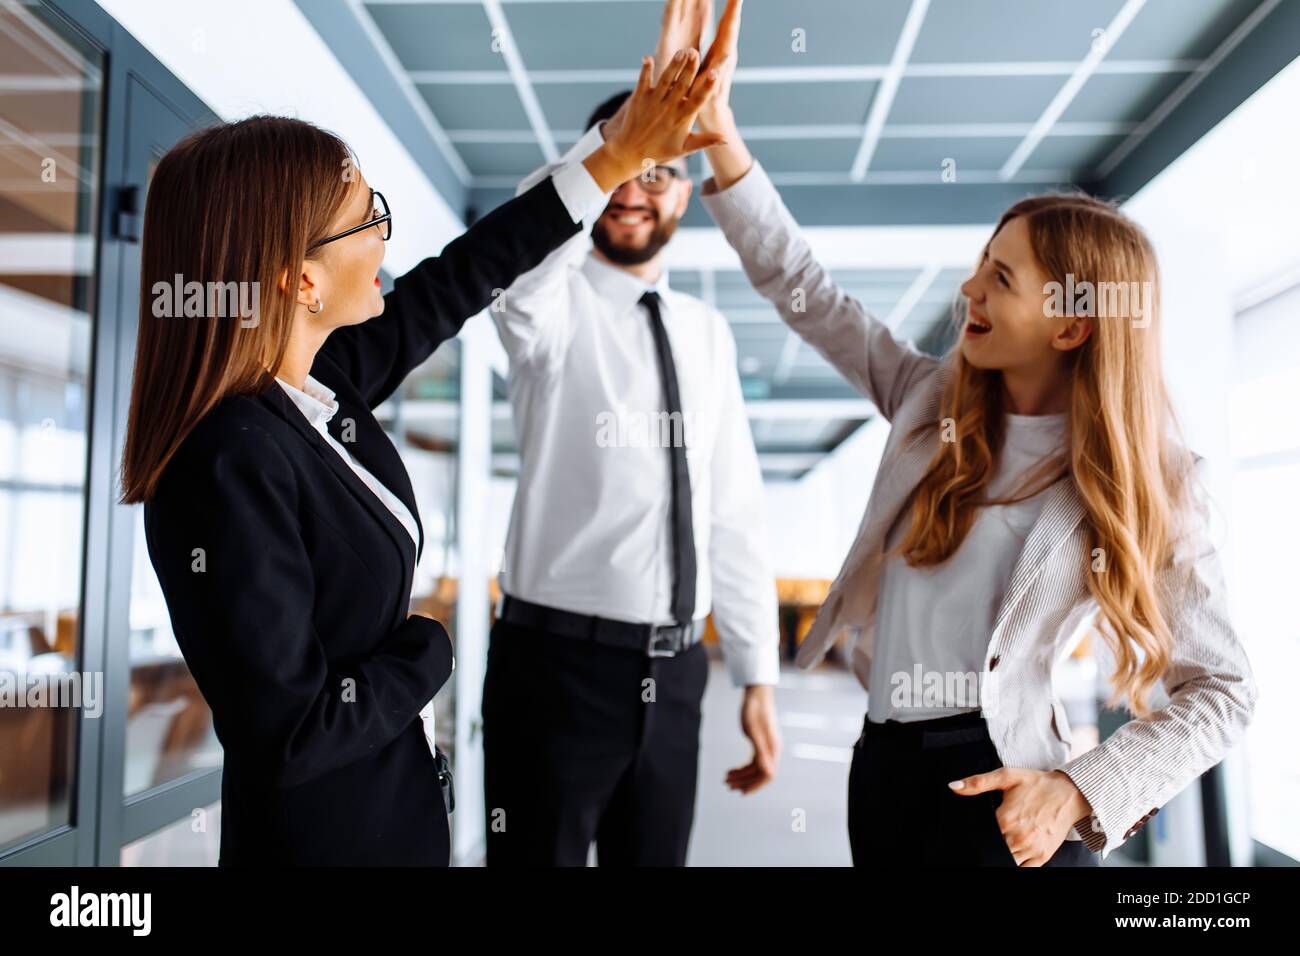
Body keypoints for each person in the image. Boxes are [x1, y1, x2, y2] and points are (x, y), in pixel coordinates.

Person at [688, 0, 1259, 865]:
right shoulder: (926, 399)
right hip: (879, 768)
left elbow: (1224, 690)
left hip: (1004, 791)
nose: (969, 290)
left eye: (1000, 277)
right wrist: (719, 134)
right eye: (979, 266)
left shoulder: (1153, 478)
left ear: (1072, 325)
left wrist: (1080, 789)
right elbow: (802, 286)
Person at [118, 53, 724, 865]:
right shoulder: (227, 461)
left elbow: (461, 277)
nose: (385, 236)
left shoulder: (315, 390)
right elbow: (294, 734)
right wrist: (428, 650)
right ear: (299, 279)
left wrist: (610, 157)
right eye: (367, 220)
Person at [481, 0, 781, 867]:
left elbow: (733, 511)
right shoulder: (549, 307)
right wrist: (620, 140)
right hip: (554, 666)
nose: (638, 189)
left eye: (661, 172)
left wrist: (757, 671)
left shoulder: (706, 332)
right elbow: (529, 249)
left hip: (679, 673)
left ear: (687, 191)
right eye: (625, 169)